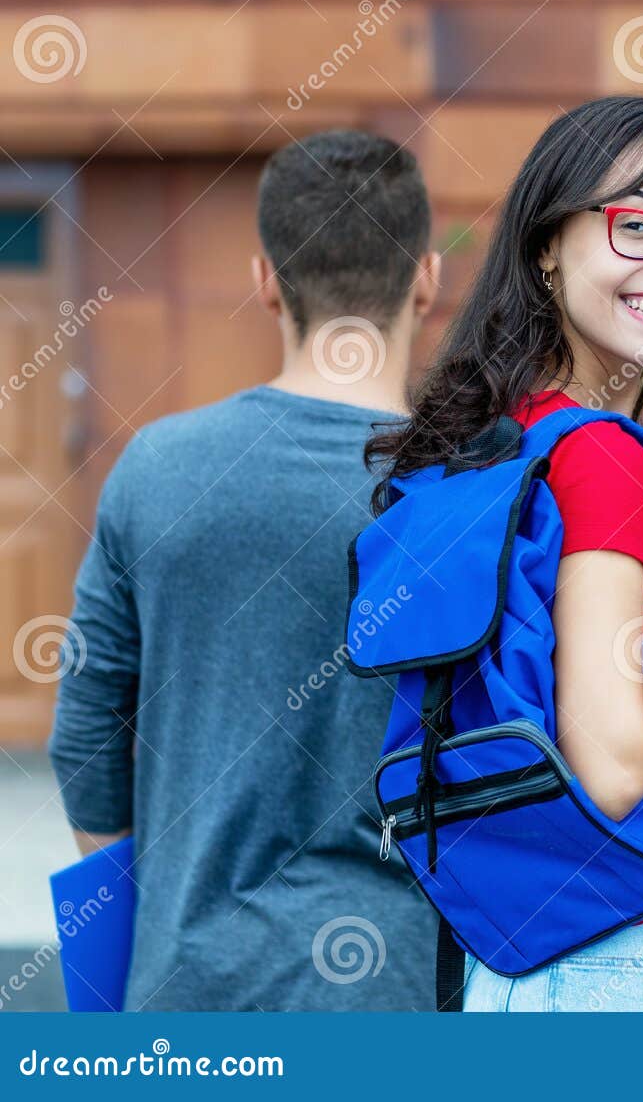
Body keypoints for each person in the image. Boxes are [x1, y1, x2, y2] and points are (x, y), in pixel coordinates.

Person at [366, 95, 643, 1012]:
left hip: (534, 950)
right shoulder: (599, 454)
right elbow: (612, 761)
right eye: (636, 227)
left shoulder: (511, 433)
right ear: (547, 244)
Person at [49, 130, 443, 1010]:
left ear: (266, 277)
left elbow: (84, 739)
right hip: (405, 997)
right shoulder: (475, 491)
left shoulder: (158, 469)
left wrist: (163, 915)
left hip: (190, 992)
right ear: (426, 275)